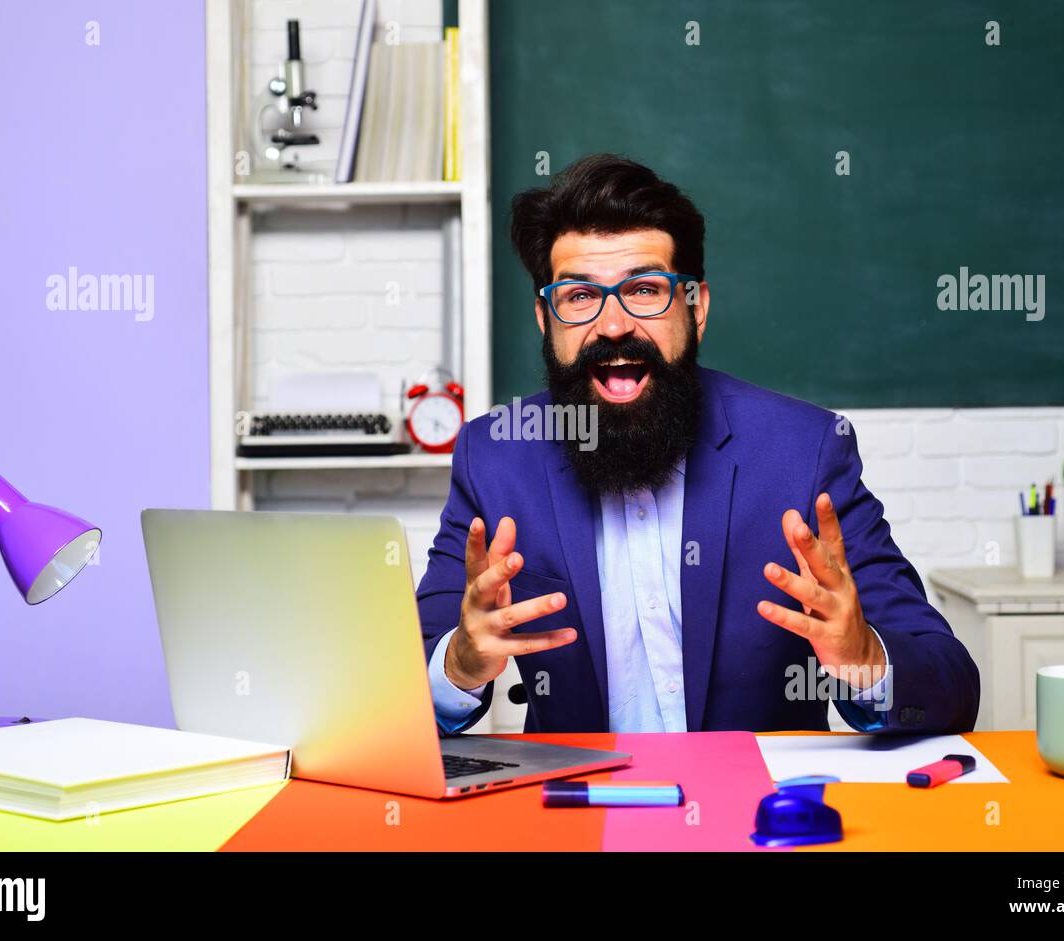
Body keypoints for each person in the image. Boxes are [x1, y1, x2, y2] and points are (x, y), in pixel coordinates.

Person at [416, 153, 980, 734]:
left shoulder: (804, 452)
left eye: (643, 289)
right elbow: (402, 694)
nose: (612, 325)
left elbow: (953, 686)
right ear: (545, 318)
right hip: (576, 810)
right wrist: (461, 662)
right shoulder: (496, 457)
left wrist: (864, 659)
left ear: (696, 308)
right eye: (579, 297)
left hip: (759, 815)